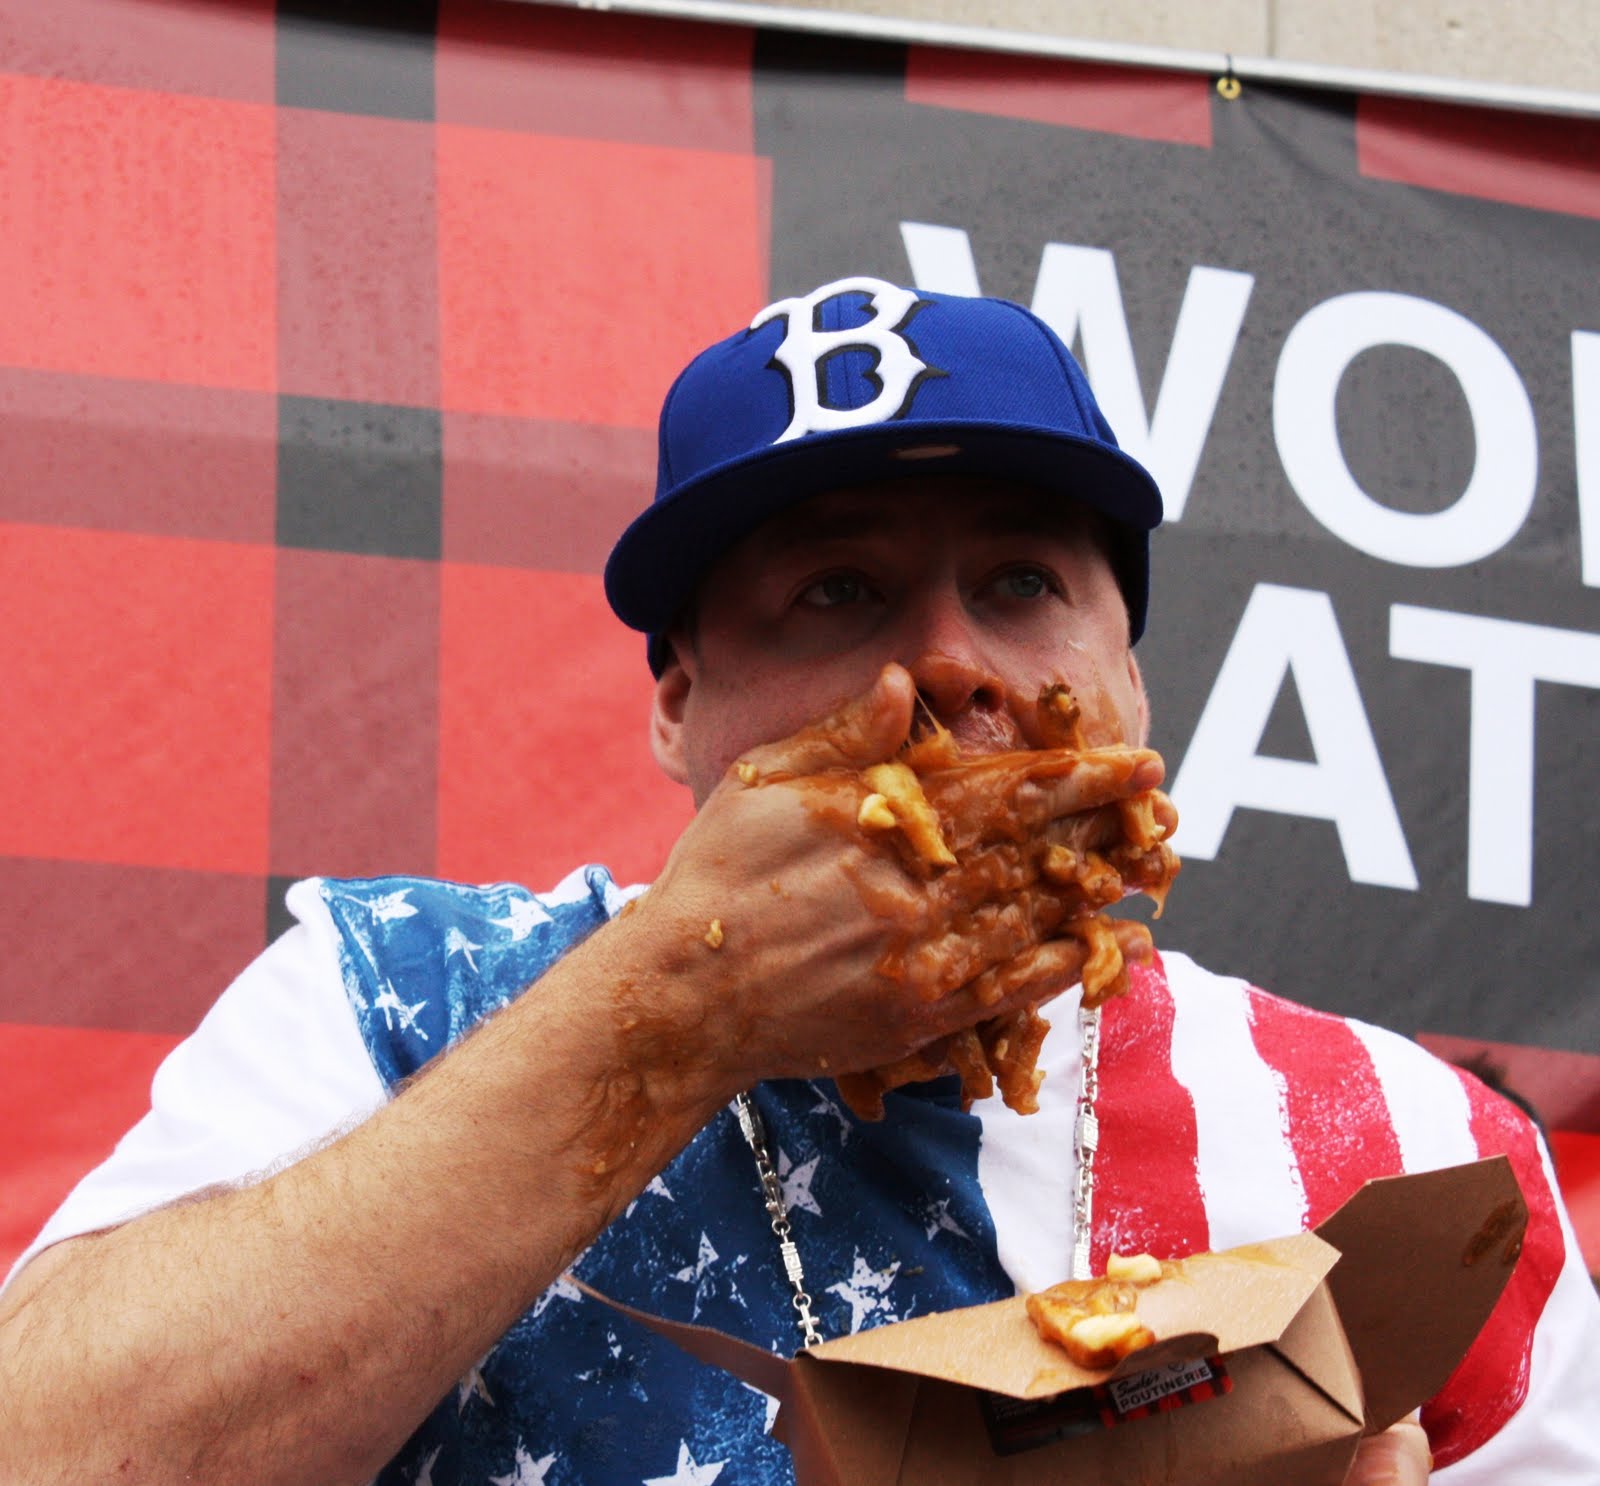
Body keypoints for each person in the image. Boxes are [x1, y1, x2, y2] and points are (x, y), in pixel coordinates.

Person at [0, 278, 1594, 1486]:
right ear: (677, 705)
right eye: (837, 590)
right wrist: (676, 1010)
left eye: (1025, 581)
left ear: (1131, 678)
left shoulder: (1416, 1150)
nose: (948, 665)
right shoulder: (391, 998)